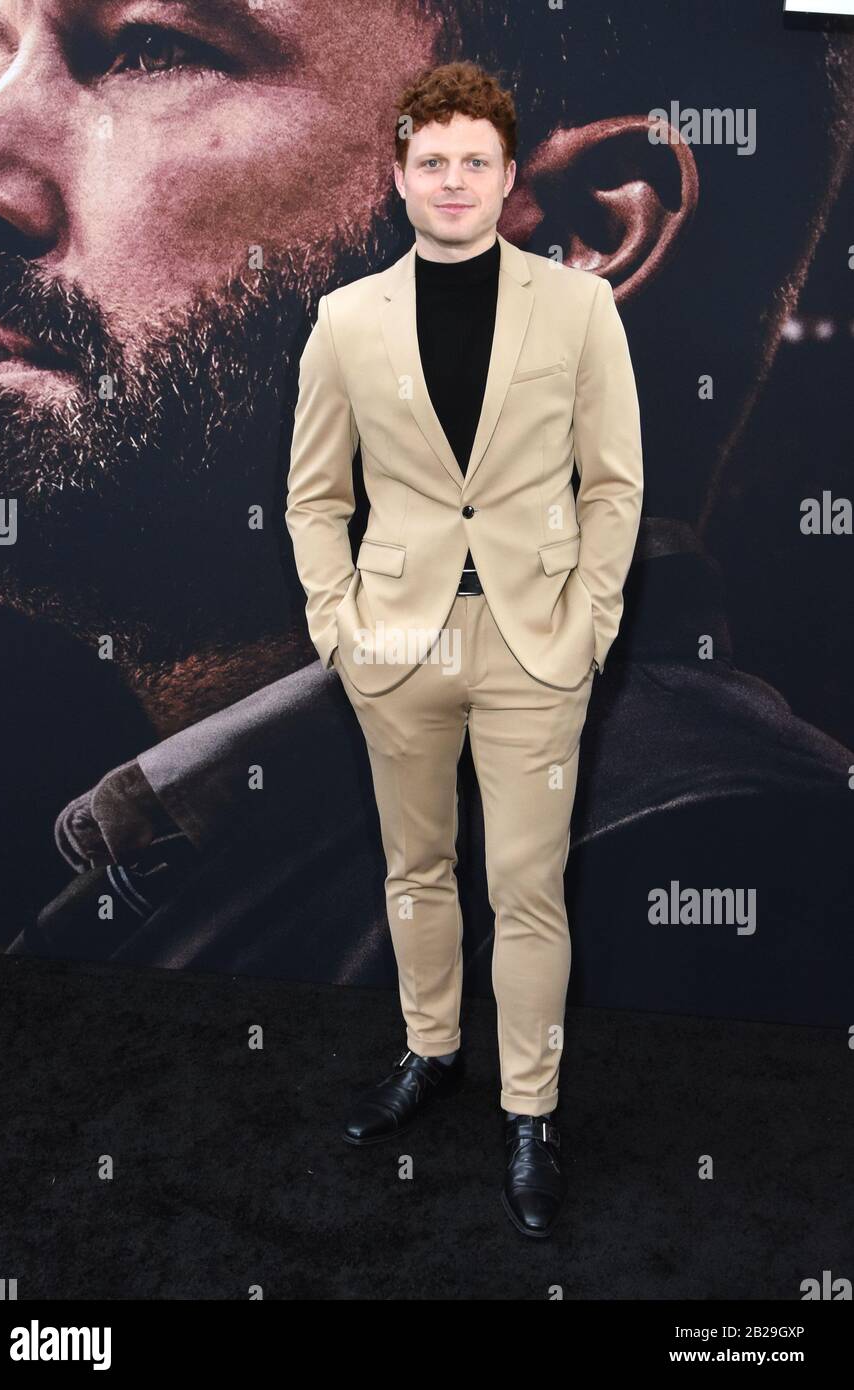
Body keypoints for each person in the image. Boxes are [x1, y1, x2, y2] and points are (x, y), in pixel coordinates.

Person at [285, 61, 644, 1238]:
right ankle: (429, 1051)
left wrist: (591, 623)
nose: (452, 182)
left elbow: (615, 486)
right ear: (398, 178)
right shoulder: (345, 321)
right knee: (414, 872)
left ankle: (530, 1112)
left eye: (474, 163)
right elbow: (311, 497)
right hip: (398, 642)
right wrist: (338, 626)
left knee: (528, 889)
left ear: (508, 179)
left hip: (537, 643)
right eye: (430, 162)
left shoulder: (580, 307)